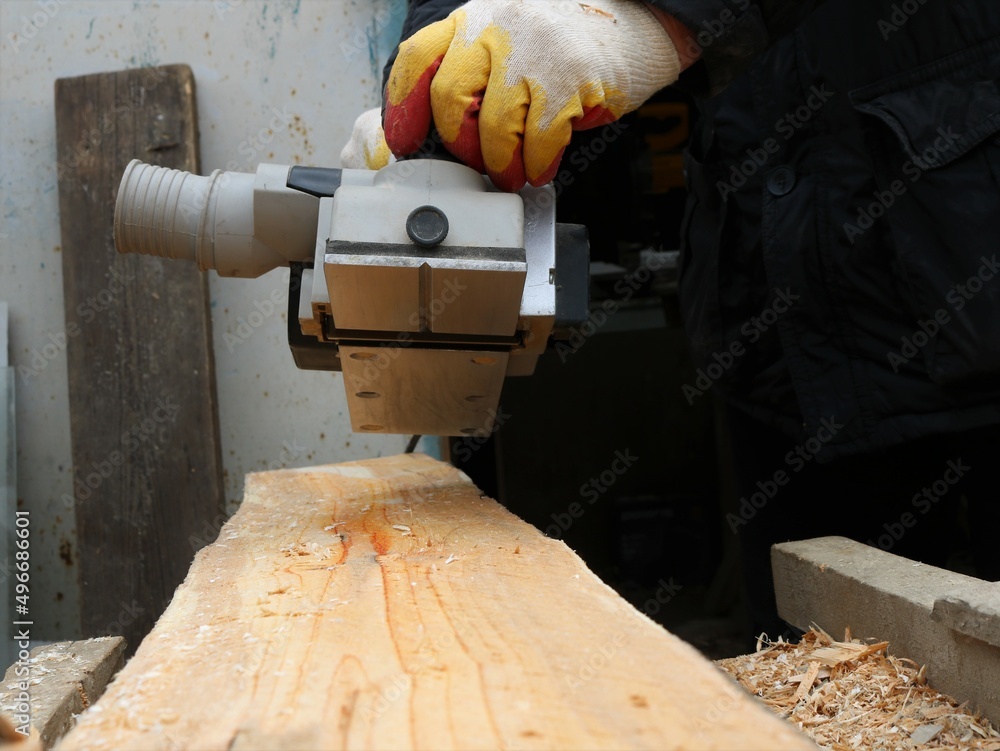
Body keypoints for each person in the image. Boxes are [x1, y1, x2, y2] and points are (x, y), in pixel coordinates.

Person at [342, 0, 1000, 641]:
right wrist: (438, 116)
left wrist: (661, 19)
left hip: (966, 278)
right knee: (815, 669)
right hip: (778, 332)